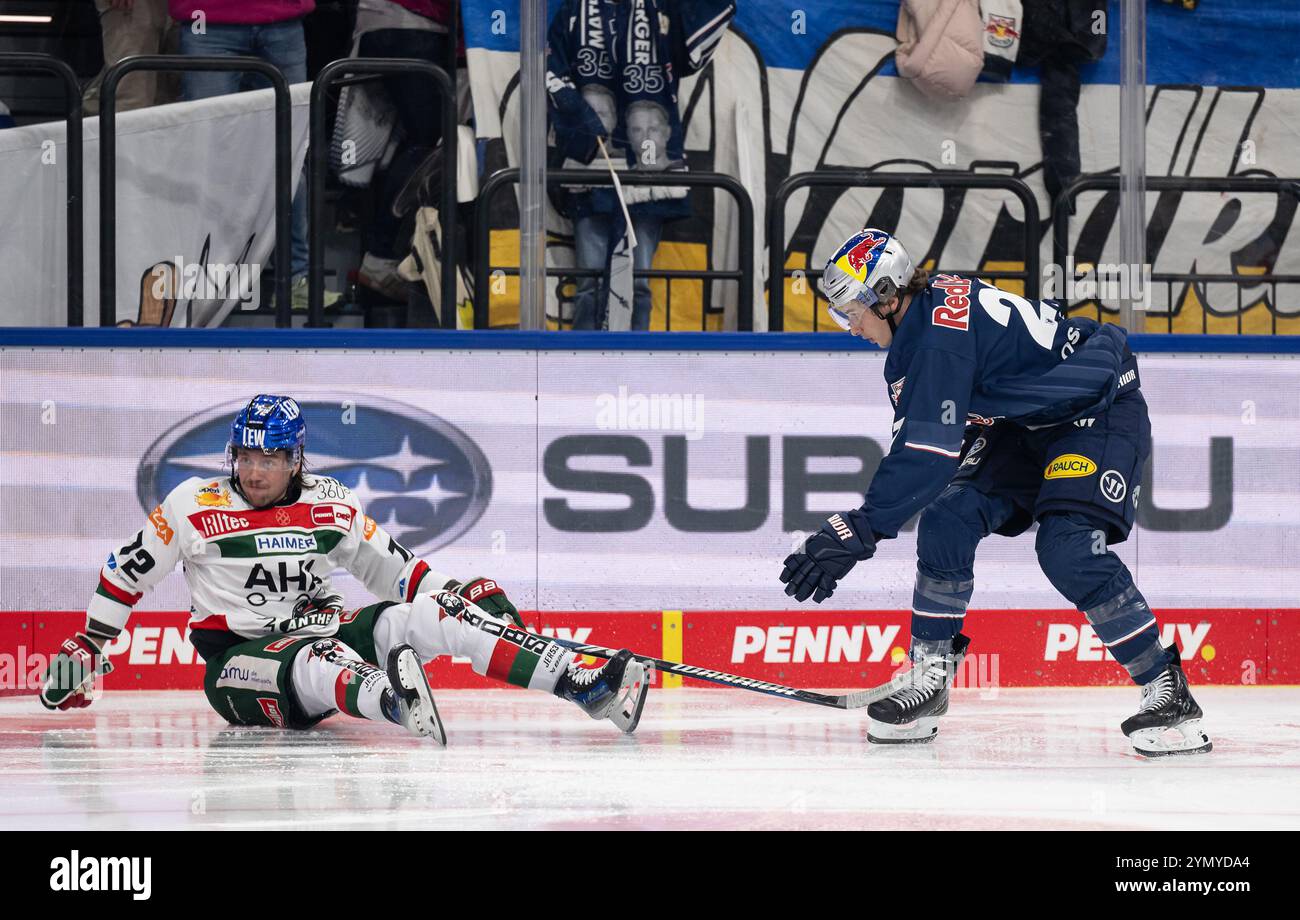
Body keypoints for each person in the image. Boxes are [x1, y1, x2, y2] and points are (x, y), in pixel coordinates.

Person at [778, 229, 1211, 757]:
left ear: (888, 297)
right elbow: (933, 447)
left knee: (1068, 547)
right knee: (947, 519)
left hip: (1094, 409)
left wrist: (856, 531)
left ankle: (1166, 686)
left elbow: (925, 455)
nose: (850, 327)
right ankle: (930, 678)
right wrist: (866, 524)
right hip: (1026, 421)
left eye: (853, 311)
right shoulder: (918, 335)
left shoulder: (935, 341)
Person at [39, 395, 649, 741]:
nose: (253, 472)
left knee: (442, 613)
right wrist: (86, 647)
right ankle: (396, 701)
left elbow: (398, 574)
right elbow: (126, 573)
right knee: (316, 657)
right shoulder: (192, 505)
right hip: (239, 667)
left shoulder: (331, 503)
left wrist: (462, 596)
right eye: (245, 456)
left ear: (296, 459)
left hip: (329, 632)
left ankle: (582, 683)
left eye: (269, 459)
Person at [169, 1, 340, 310]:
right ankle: (206, 281)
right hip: (206, 20)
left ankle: (297, 279)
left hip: (282, 19)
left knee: (290, 155)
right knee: (208, 158)